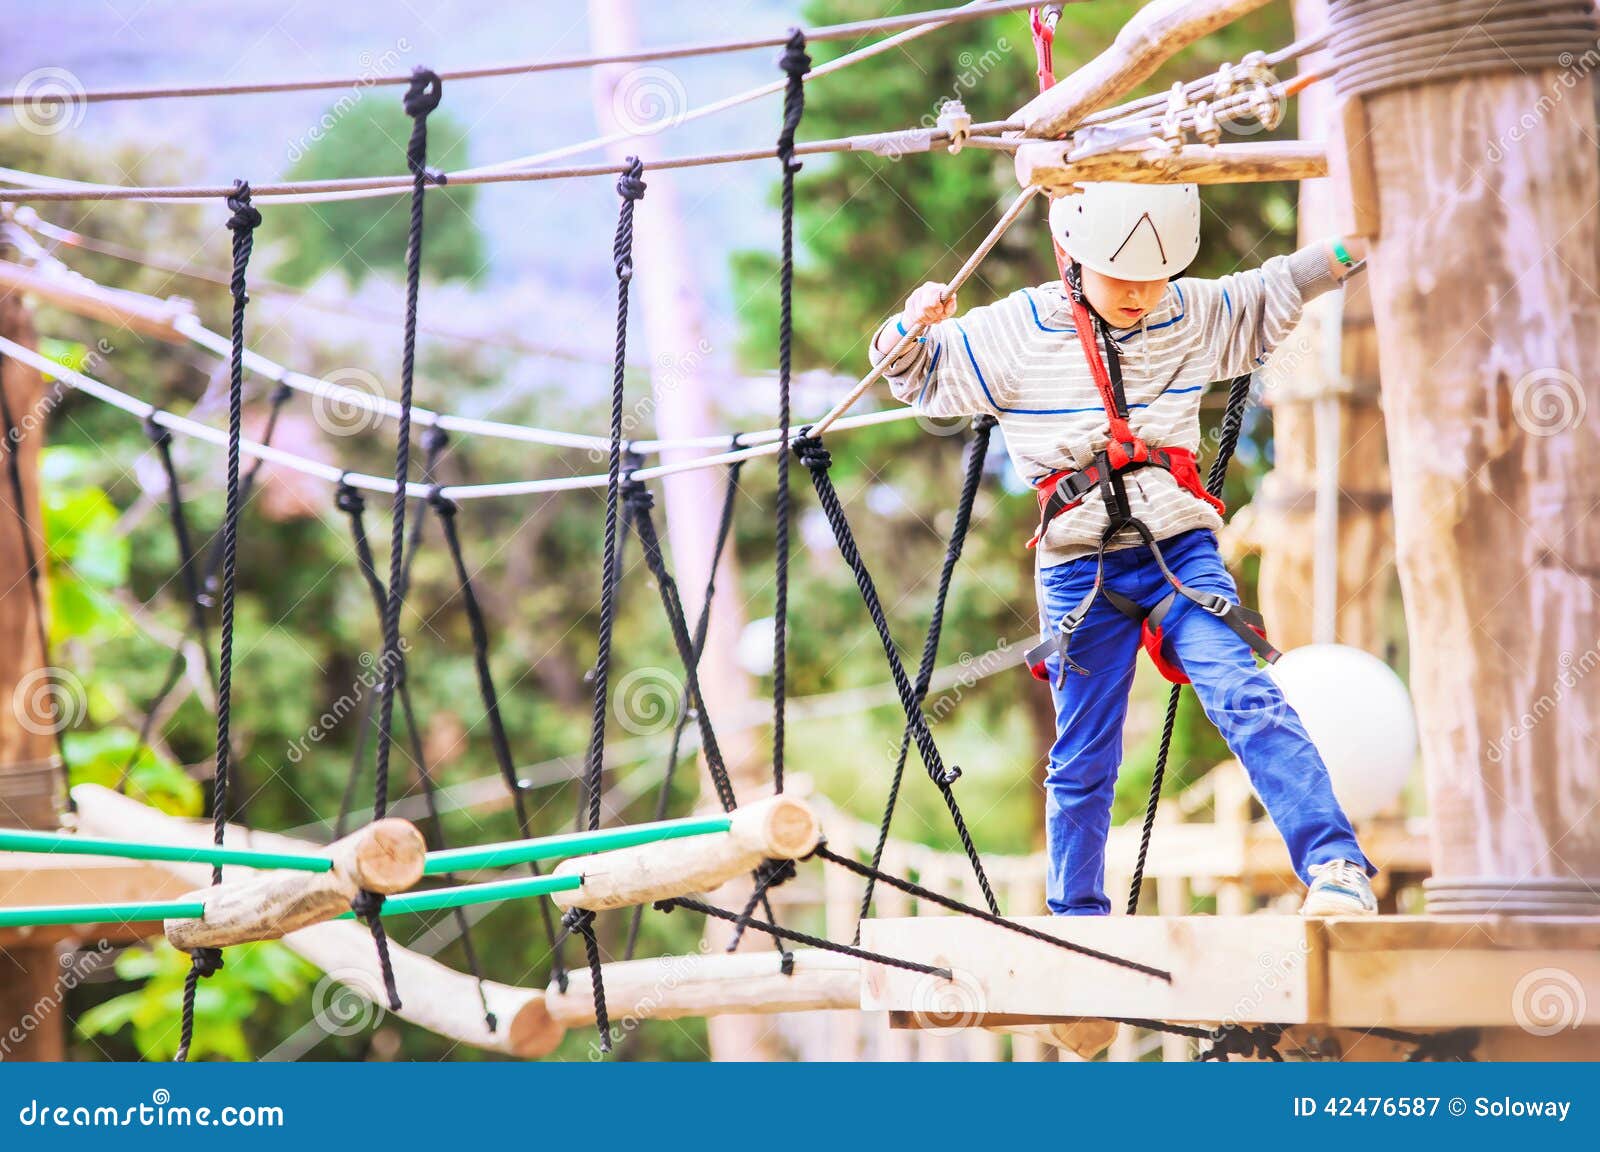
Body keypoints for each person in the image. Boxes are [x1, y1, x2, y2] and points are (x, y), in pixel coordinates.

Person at [869, 181, 1377, 918]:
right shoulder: (1019, 330)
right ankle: (1078, 914)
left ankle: (1334, 864)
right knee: (1083, 754)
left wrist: (1353, 247)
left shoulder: (1186, 313)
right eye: (1122, 274)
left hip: (1179, 552)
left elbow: (1270, 290)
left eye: (1155, 274)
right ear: (1073, 252)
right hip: (1080, 567)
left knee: (1246, 695)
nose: (1141, 292)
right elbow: (911, 373)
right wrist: (910, 327)